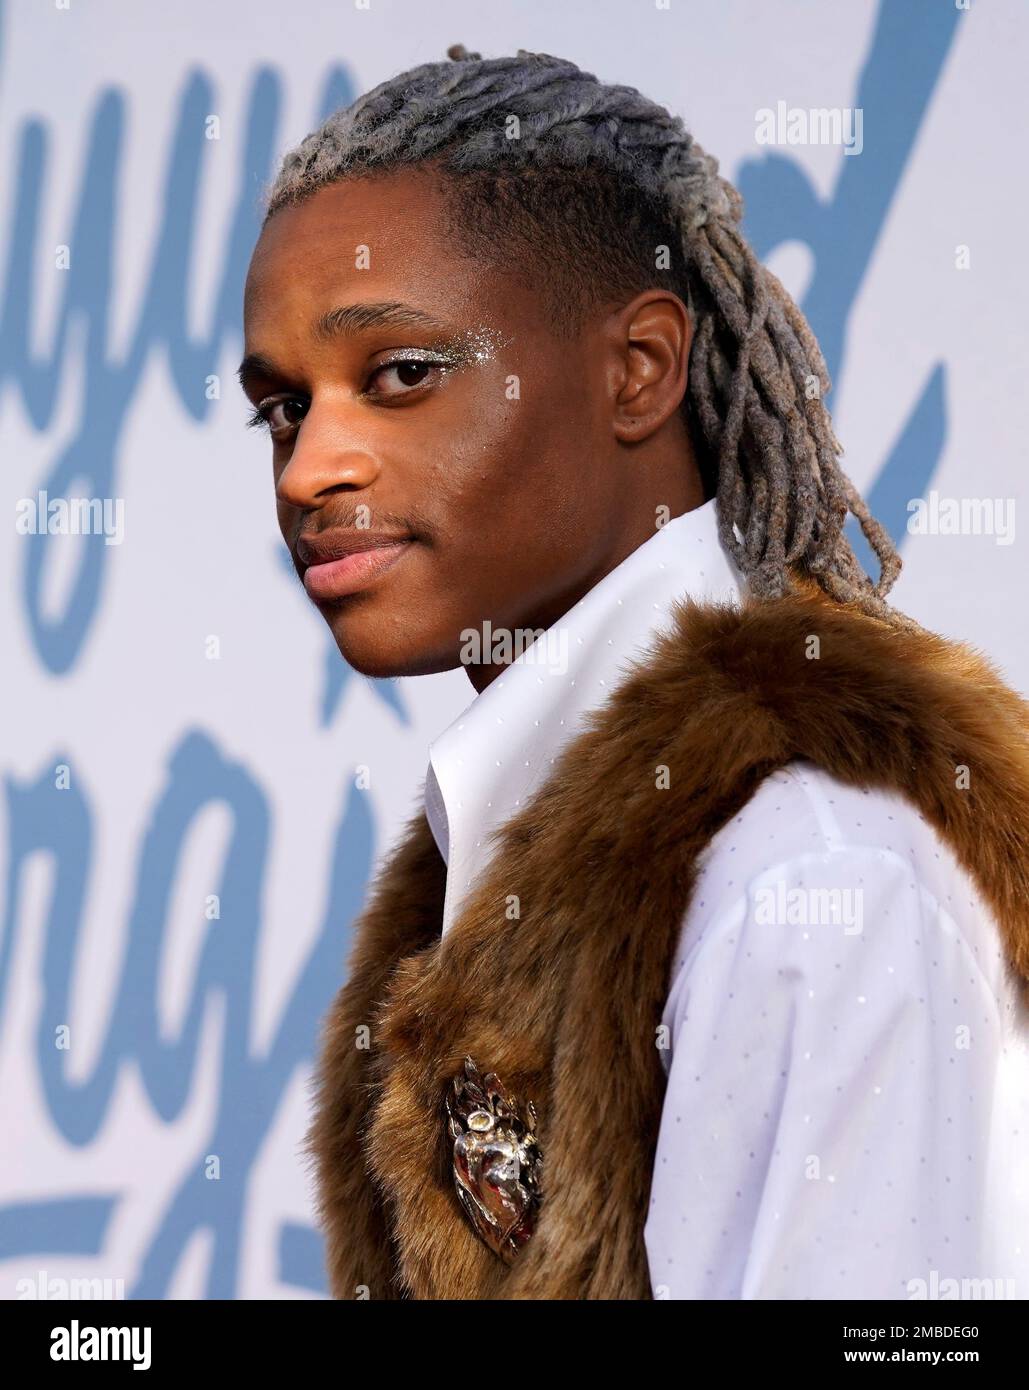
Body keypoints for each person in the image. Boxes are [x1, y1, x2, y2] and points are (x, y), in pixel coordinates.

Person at [238, 45, 1029, 1299]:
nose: (306, 470)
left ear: (639, 370)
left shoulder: (810, 875)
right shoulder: (529, 842)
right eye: (282, 408)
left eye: (399, 376)